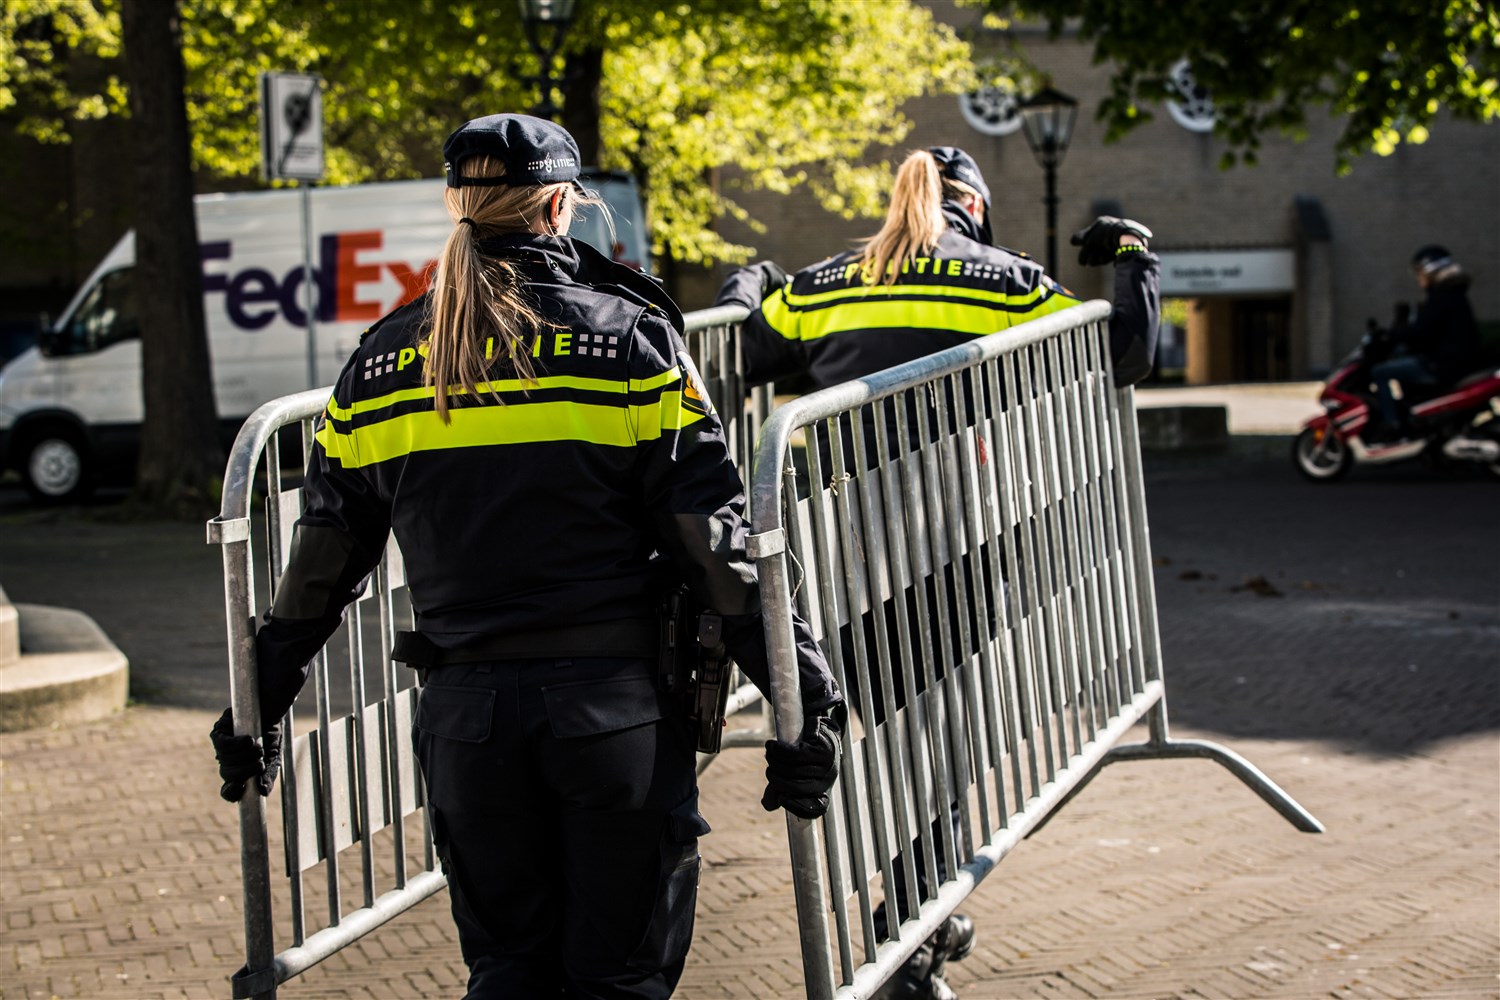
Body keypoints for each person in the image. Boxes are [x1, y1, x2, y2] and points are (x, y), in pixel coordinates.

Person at [209, 113, 845, 1000]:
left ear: (457, 205)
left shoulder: (384, 361)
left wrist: (256, 706)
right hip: (613, 714)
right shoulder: (628, 342)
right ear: (561, 205)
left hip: (466, 722)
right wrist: (803, 699)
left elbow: (320, 566)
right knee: (618, 978)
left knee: (507, 972)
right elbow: (720, 548)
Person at [713, 146, 1161, 1000]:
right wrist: (1135, 253)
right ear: (977, 209)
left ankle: (922, 914)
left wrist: (750, 279)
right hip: (956, 539)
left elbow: (752, 351)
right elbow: (1128, 352)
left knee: (886, 743)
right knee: (946, 741)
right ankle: (912, 939)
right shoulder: (1005, 280)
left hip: (843, 549)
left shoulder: (821, 285)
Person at [1370, 245, 1483, 438]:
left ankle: (1394, 423)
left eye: (1419, 272)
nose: (1418, 277)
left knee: (1380, 372)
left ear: (1431, 270)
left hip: (1443, 364)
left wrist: (1392, 334)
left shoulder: (1441, 296)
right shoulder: (1453, 293)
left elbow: (1422, 330)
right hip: (1456, 362)